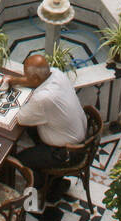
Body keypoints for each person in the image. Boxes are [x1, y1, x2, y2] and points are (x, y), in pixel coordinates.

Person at [9, 53, 88, 194]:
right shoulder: (56, 74)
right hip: (78, 136)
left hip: (67, 153)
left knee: (20, 161)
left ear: (35, 78)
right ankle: (51, 180)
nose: (25, 77)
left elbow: (21, 118)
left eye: (26, 75)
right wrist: (14, 81)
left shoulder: (44, 98)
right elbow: (35, 81)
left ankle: (45, 191)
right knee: (31, 126)